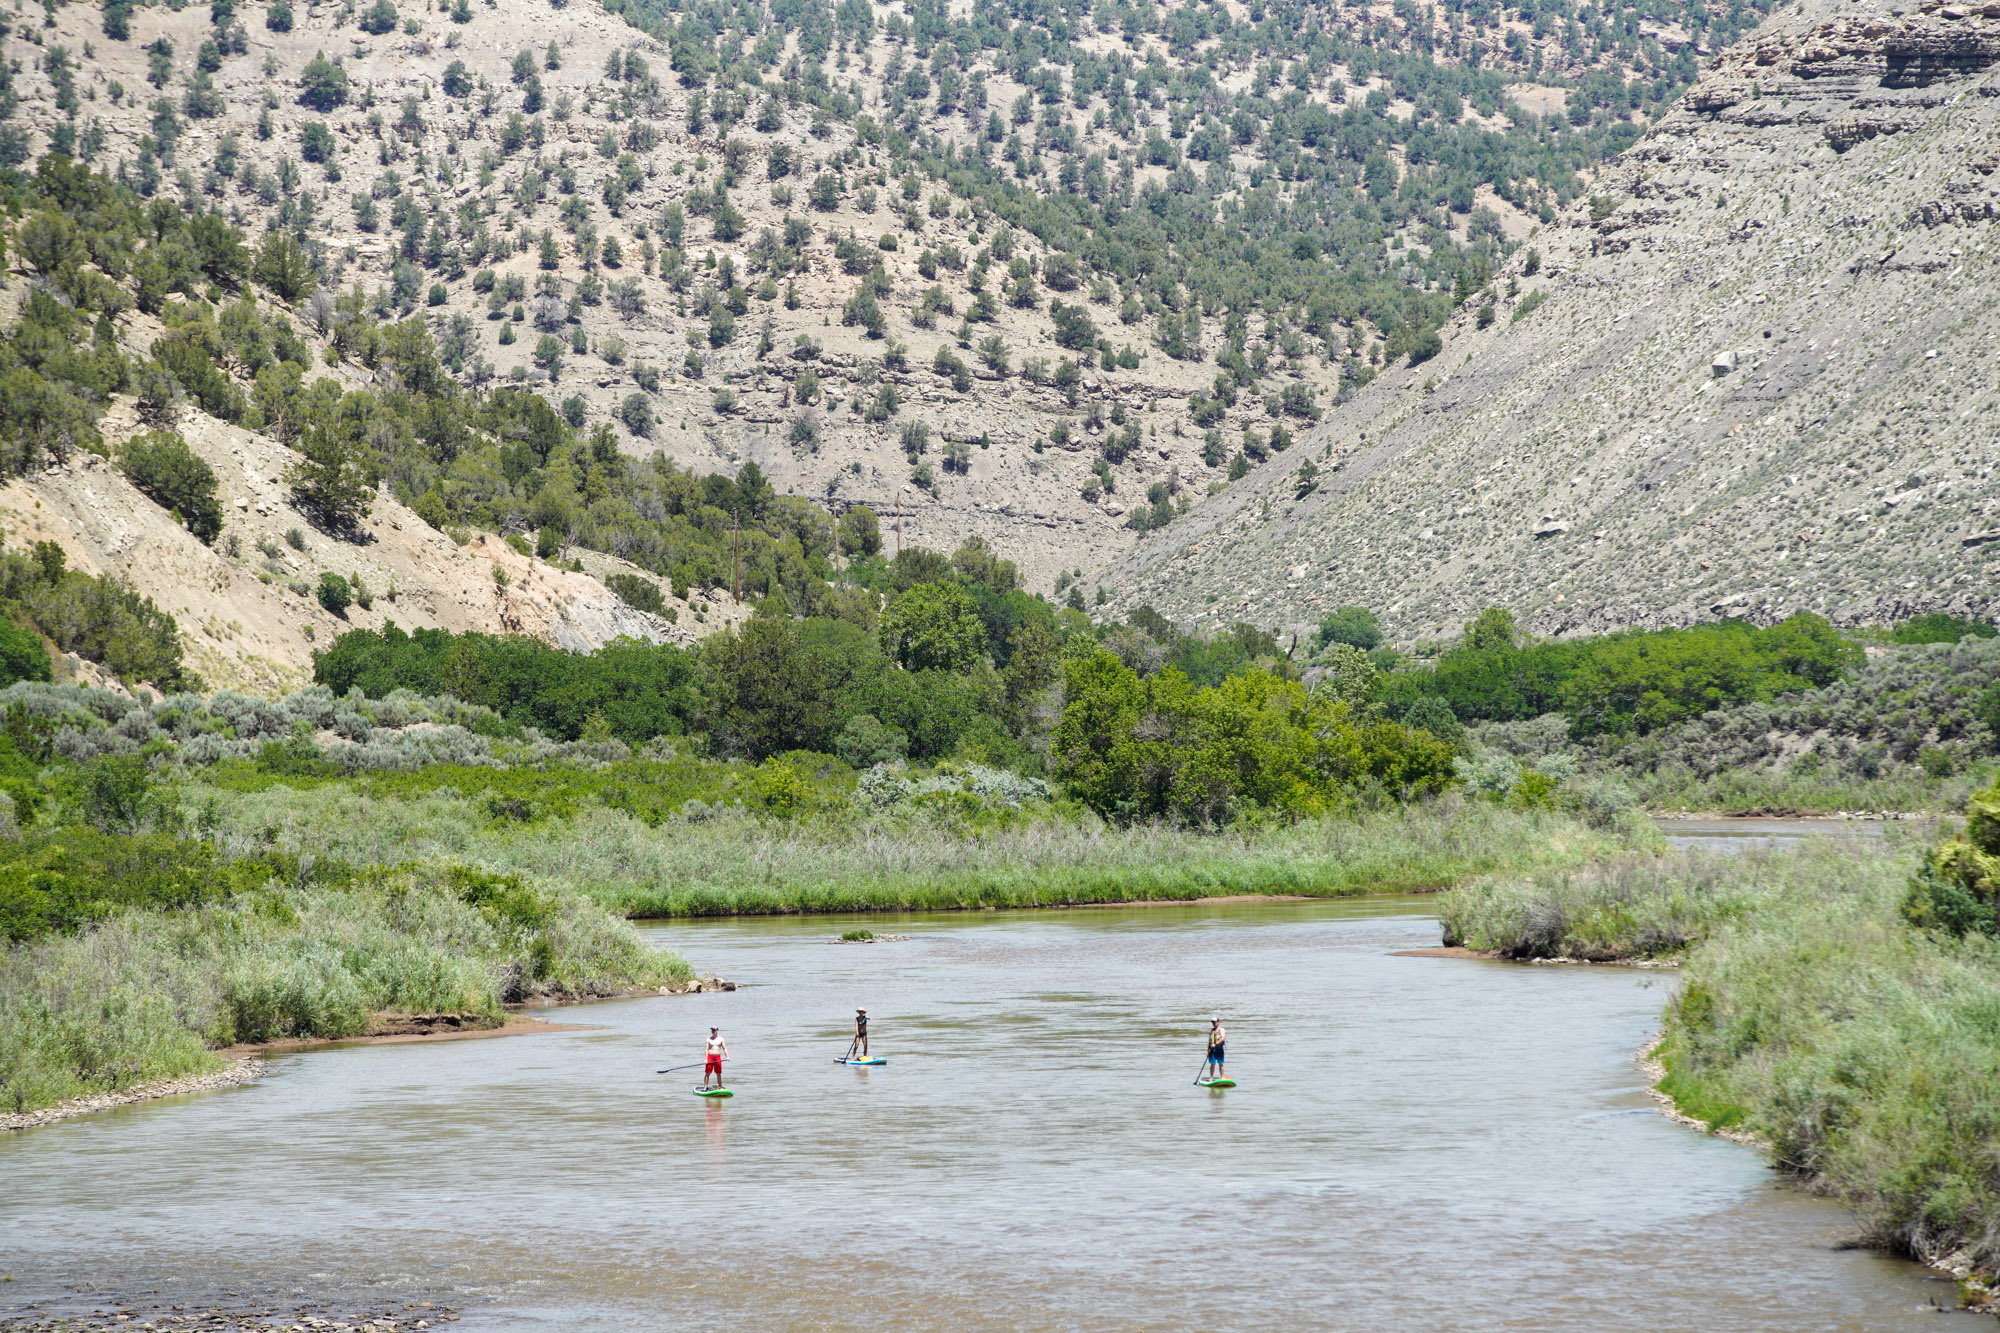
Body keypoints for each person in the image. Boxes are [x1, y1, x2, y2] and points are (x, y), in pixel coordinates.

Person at [1205, 1016, 1226, 1082]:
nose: (1213, 1023)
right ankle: (1211, 1077)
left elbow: (1222, 1039)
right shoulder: (1211, 1030)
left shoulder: (1222, 1030)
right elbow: (1209, 1041)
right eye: (1213, 1022)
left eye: (1215, 1022)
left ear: (1218, 1022)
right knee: (1212, 1063)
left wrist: (1216, 1044)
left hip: (1219, 1049)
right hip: (1212, 1050)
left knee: (1221, 1063)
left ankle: (1222, 1077)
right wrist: (1207, 1051)